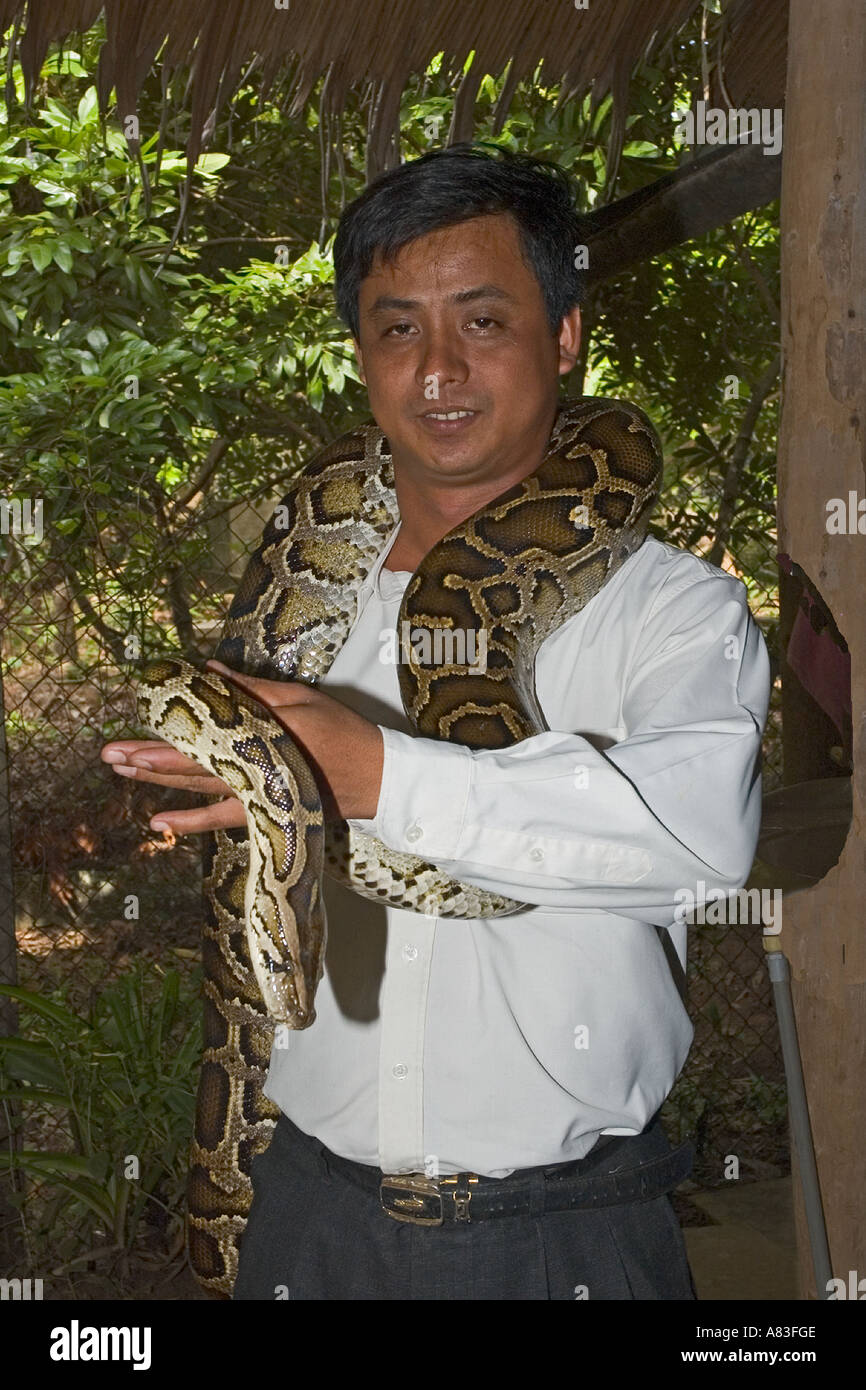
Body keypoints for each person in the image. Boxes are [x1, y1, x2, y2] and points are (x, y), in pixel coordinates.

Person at [102, 145, 771, 1301]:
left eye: (482, 319)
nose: (439, 369)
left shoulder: (677, 610)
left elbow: (700, 837)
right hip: (303, 1214)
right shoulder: (290, 620)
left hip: (564, 1236)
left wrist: (374, 774)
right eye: (397, 328)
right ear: (361, 355)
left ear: (562, 338)